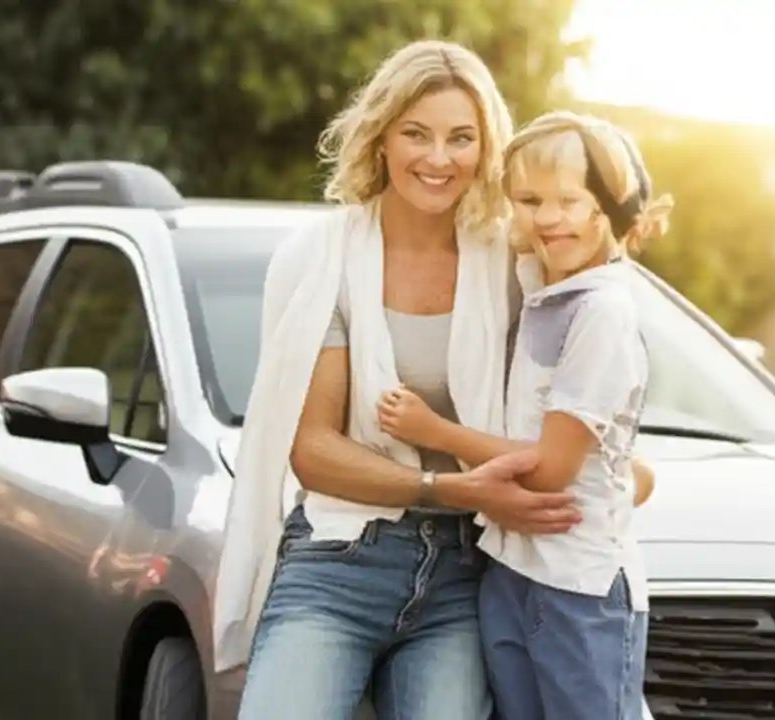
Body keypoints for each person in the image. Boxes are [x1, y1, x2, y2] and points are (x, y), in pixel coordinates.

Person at [214, 40, 582, 720]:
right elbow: (313, 450)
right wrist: (450, 488)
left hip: (466, 577)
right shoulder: (323, 259)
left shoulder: (513, 262)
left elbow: (588, 353)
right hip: (341, 562)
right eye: (417, 133)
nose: (439, 158)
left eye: (461, 138)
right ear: (381, 137)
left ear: (486, 148)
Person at [377, 110, 672, 719]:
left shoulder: (603, 312)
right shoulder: (541, 285)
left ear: (607, 206)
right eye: (530, 200)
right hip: (512, 571)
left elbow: (549, 473)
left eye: (570, 200)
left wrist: (435, 431)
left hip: (580, 586)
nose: (548, 218)